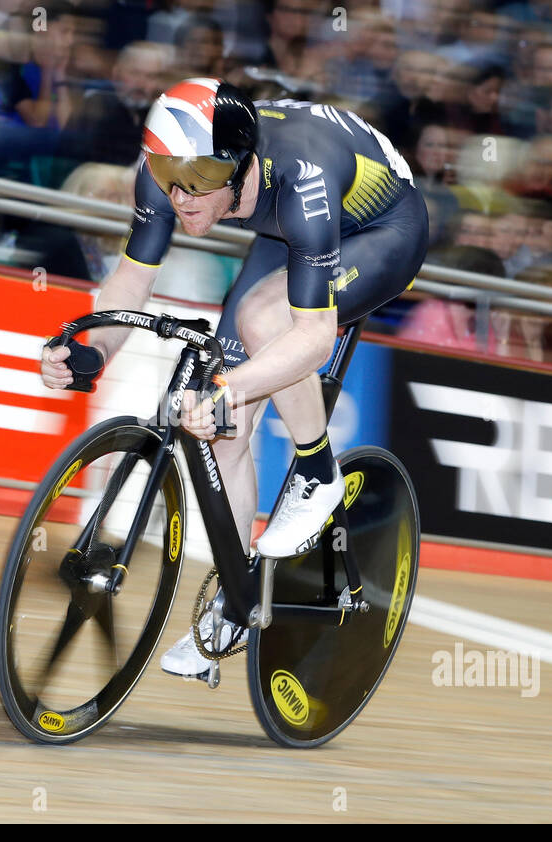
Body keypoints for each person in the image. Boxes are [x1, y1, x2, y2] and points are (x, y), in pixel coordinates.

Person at [38, 79, 429, 679]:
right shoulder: (168, 172)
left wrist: (233, 385)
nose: (181, 195)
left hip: (380, 231)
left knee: (263, 321)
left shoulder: (302, 172)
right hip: (288, 234)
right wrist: (95, 352)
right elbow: (131, 280)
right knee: (224, 431)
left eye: (197, 180)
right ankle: (238, 598)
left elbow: (315, 337)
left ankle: (318, 471)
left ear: (241, 165)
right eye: (169, 174)